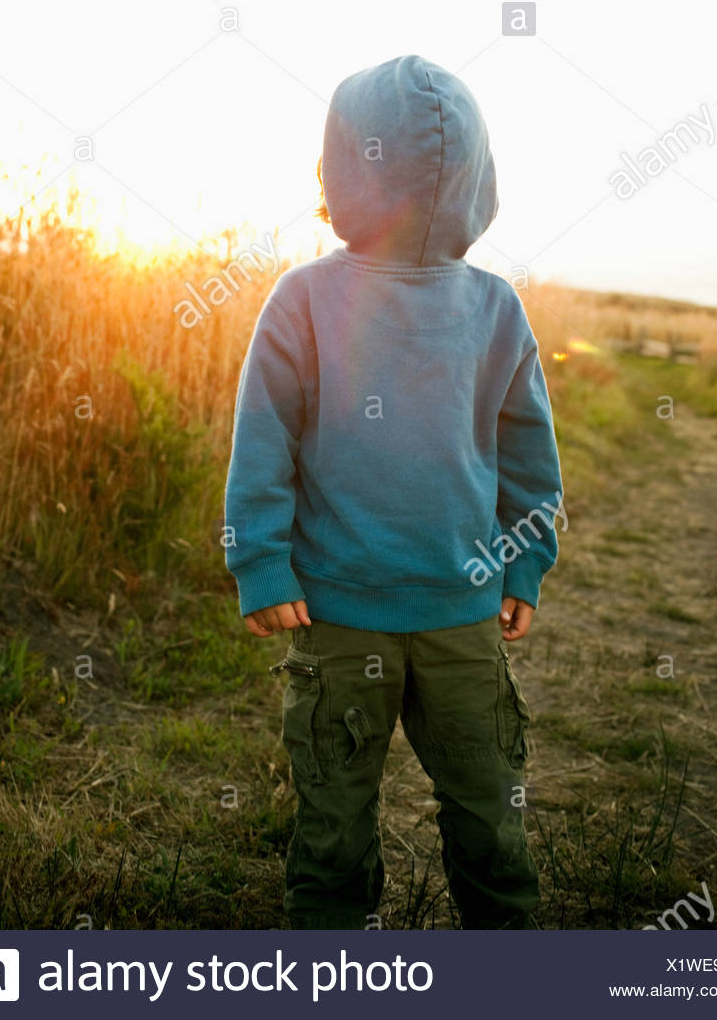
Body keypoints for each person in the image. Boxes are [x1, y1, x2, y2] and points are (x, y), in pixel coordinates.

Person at [224, 54, 564, 929]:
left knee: (490, 820)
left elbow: (529, 455)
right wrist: (262, 565)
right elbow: (263, 441)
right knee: (333, 827)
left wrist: (523, 561)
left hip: (462, 619)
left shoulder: (496, 312)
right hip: (336, 620)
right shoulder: (303, 302)